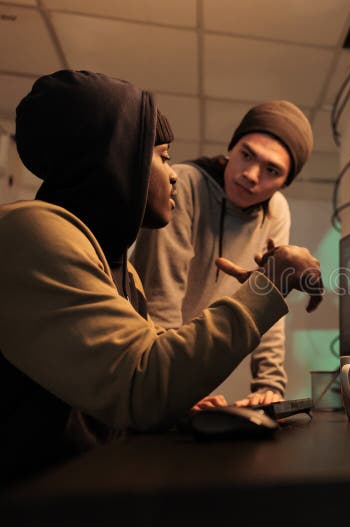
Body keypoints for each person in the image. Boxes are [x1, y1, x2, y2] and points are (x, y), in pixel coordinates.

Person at [0, 70, 322, 483]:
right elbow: (144, 382)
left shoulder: (117, 266)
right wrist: (270, 283)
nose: (173, 173)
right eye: (164, 157)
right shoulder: (34, 233)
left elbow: (148, 359)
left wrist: (190, 396)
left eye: (272, 170)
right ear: (119, 158)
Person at [132, 101, 313, 408]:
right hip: (148, 366)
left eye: (272, 171)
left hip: (189, 363)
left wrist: (269, 385)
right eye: (246, 155)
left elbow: (270, 296)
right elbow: (160, 297)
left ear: (285, 182)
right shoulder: (182, 182)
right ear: (232, 148)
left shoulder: (276, 210)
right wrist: (178, 388)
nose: (252, 175)